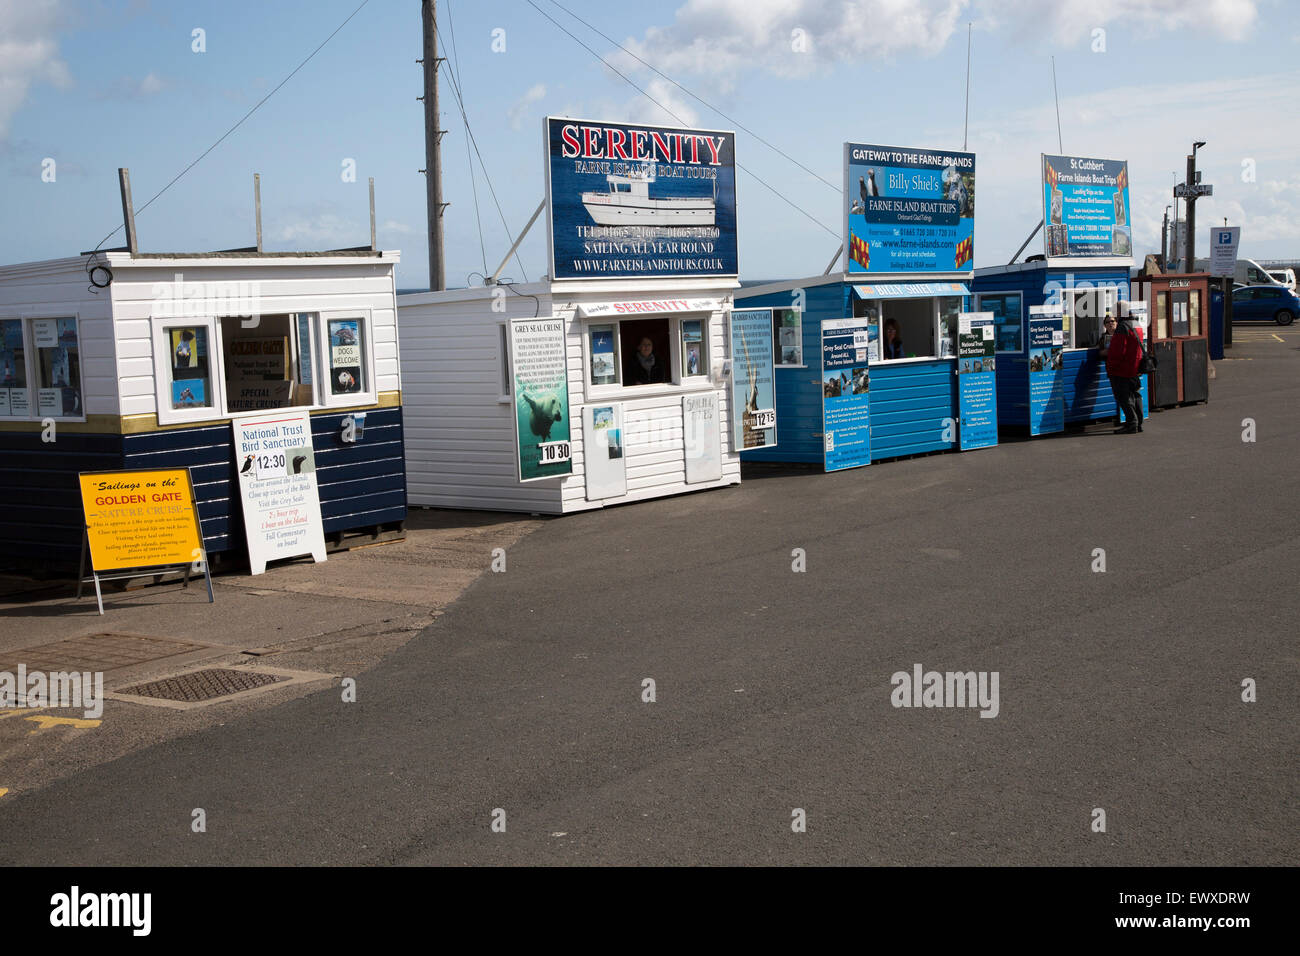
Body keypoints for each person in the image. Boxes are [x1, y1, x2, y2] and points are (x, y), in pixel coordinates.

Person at [1105, 316, 1144, 434]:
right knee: (1135, 395)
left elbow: (1118, 351)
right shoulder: (1136, 324)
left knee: (1124, 397)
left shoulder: (1123, 327)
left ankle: (1132, 423)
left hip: (1122, 369)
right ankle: (1138, 423)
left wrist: (1111, 366)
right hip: (1134, 367)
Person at [1097, 314, 1120, 426]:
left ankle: (1131, 420)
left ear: (1116, 322)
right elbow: (1100, 353)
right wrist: (1104, 352)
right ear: (1105, 326)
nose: (1110, 323)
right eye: (1107, 322)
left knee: (1129, 395)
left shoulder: (1122, 335)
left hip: (1125, 369)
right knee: (1118, 394)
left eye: (1112, 321)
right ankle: (1122, 418)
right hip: (1112, 369)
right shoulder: (1103, 338)